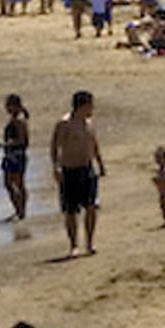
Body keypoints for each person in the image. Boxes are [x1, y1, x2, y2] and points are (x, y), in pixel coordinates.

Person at [50, 91, 106, 258]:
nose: (93, 108)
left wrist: (101, 164)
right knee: (71, 210)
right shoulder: (64, 123)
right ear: (82, 105)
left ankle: (89, 242)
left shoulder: (89, 123)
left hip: (87, 168)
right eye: (90, 105)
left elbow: (94, 144)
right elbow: (55, 147)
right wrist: (56, 167)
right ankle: (74, 245)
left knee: (91, 207)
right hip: (69, 169)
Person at [1, 95, 30, 221]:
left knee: (15, 184)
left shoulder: (19, 120)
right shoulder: (16, 119)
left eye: (8, 105)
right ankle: (19, 210)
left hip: (16, 155)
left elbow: (23, 140)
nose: (6, 107)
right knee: (13, 184)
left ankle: (20, 211)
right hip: (13, 155)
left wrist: (7, 144)